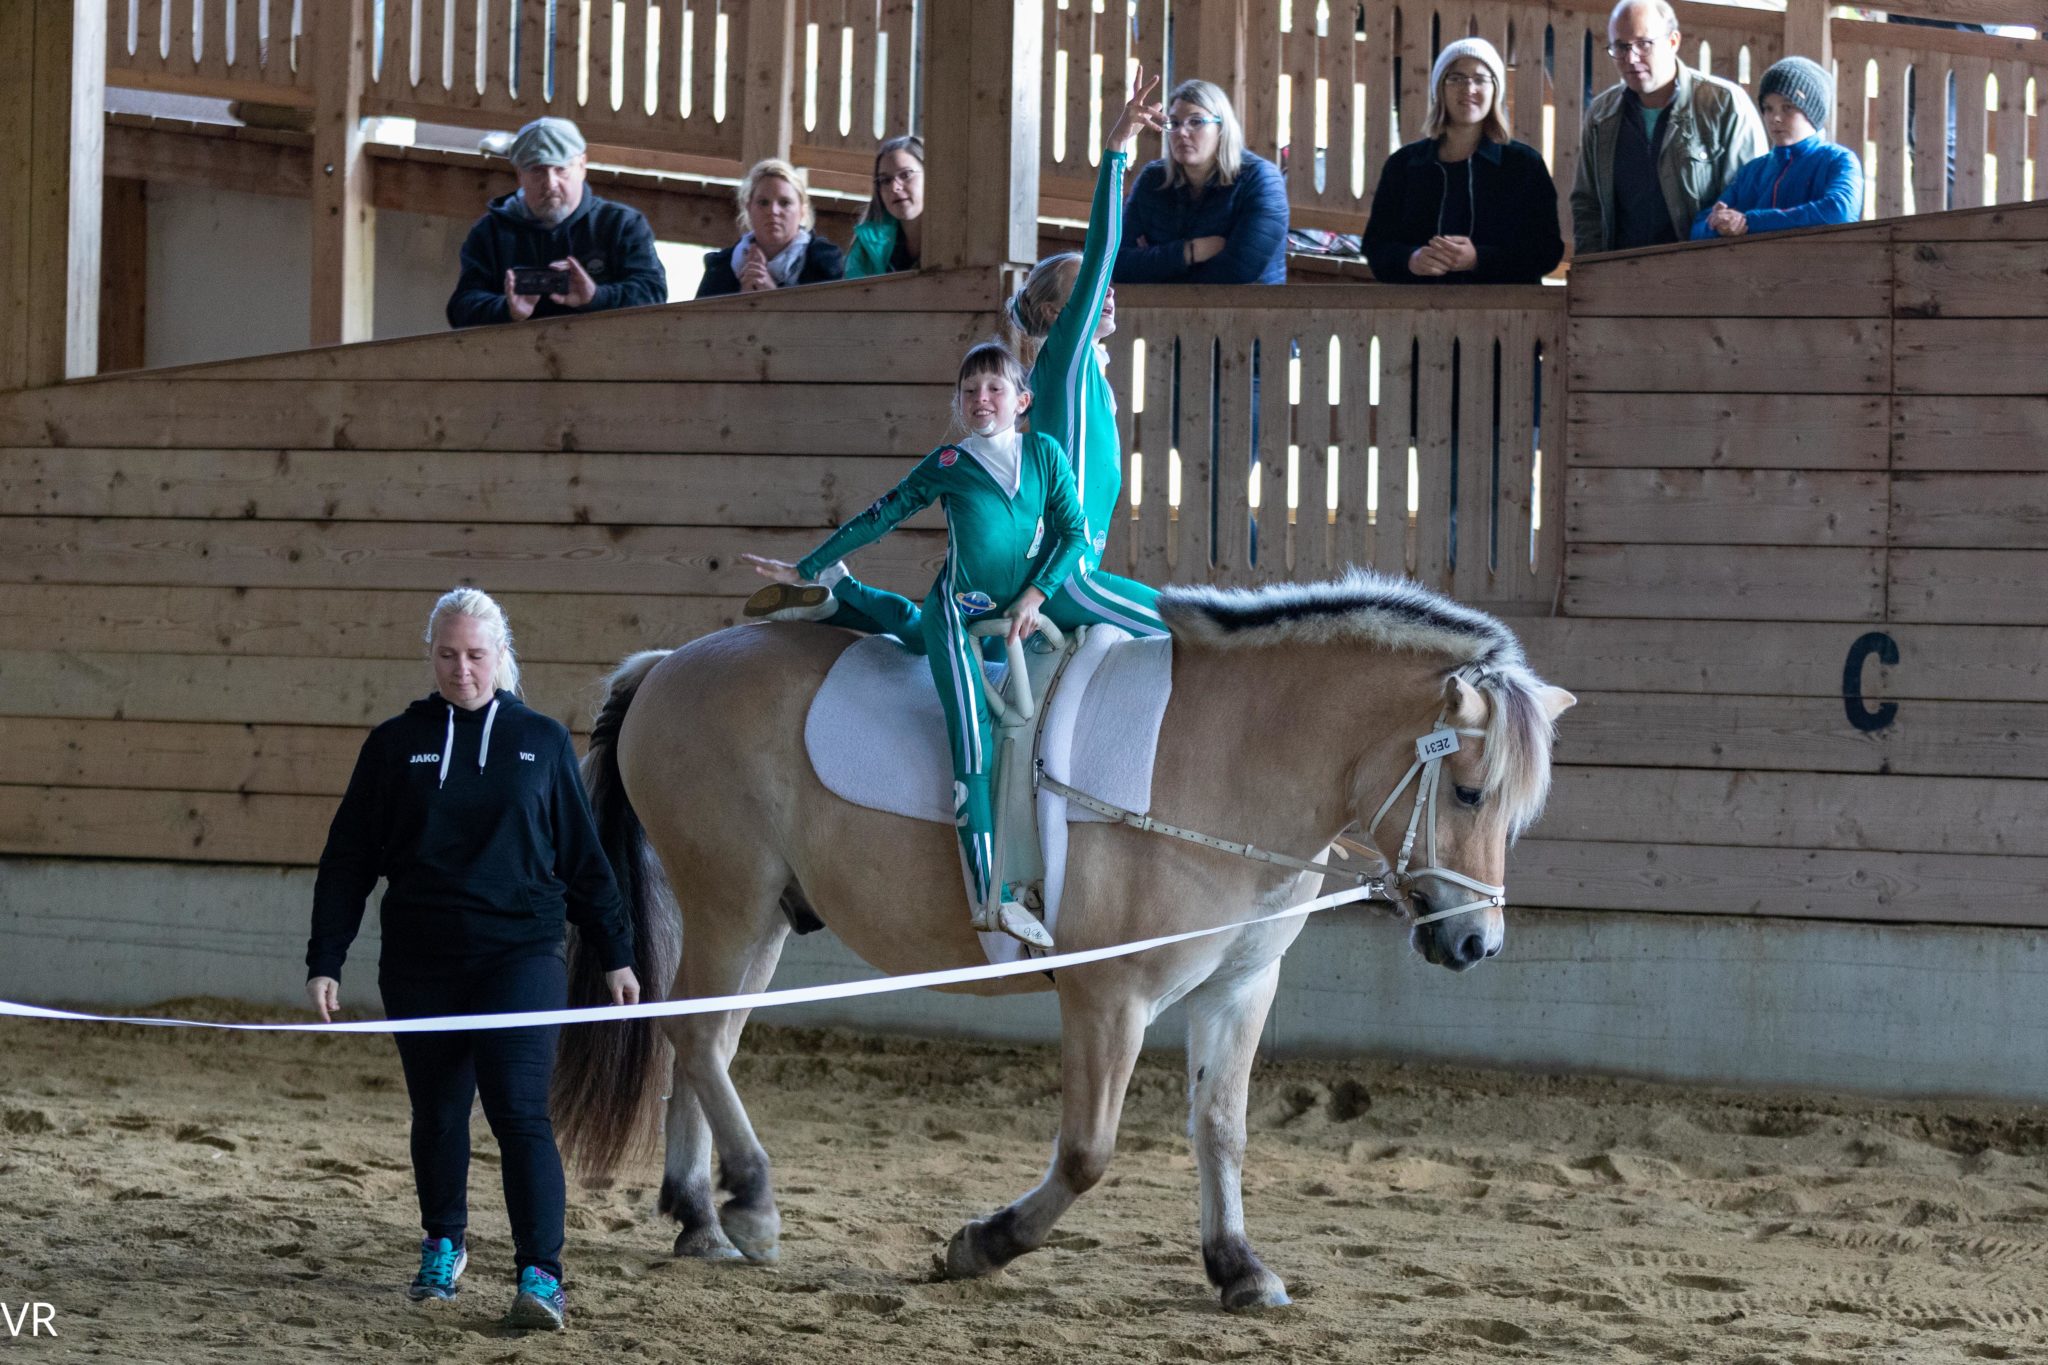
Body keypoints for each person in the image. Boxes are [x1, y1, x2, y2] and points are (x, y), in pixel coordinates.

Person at [752, 342, 1169, 951]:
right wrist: (809, 564)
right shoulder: (950, 460)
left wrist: (1036, 595)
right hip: (959, 613)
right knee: (974, 744)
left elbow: (1075, 533)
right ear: (959, 402)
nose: (982, 400)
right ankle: (992, 898)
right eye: (970, 391)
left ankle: (847, 598)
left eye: (995, 389)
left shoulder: (1046, 455)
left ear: (1022, 401)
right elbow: (883, 512)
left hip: (1019, 606)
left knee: (911, 632)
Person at [304, 588, 641, 1332]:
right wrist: (326, 956)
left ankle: (540, 1273)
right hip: (421, 962)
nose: (462, 668)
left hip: (520, 955)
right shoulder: (394, 744)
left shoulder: (542, 741)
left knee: (520, 1110)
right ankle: (444, 1242)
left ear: (501, 656)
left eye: (476, 654)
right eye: (448, 654)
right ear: (432, 655)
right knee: (439, 1112)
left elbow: (586, 861)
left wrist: (616, 952)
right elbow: (348, 859)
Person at [742, 69, 1170, 642]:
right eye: (1089, 290)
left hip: (1049, 569)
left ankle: (840, 598)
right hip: (1064, 578)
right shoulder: (1066, 360)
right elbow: (1104, 248)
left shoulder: (1086, 373)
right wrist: (1117, 147)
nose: (1107, 291)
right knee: (1185, 627)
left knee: (930, 638)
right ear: (1055, 317)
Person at [1570, 0, 1766, 254]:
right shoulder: (1601, 114)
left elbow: (1752, 201)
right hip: (1623, 276)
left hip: (1705, 278)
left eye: (1643, 44)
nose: (1631, 58)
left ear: (1673, 42)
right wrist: (1592, 272)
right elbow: (1587, 204)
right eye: (1621, 46)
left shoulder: (1724, 105)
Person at [1361, 37, 1564, 283]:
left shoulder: (1525, 165)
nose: (1468, 88)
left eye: (1480, 79)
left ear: (1495, 90)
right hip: (1420, 312)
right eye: (1456, 78)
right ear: (1440, 90)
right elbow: (1376, 247)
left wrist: (1478, 259)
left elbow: (1547, 252)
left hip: (1505, 313)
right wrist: (1411, 260)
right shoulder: (1403, 165)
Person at [446, 117, 668, 328]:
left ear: (582, 167)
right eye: (537, 171)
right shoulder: (489, 232)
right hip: (518, 359)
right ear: (519, 174)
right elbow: (461, 308)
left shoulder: (622, 225)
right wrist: (507, 310)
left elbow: (654, 295)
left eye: (560, 169)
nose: (550, 184)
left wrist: (595, 296)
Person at [1113, 78, 1290, 284]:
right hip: (1162, 313)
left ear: (1221, 128)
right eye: (1174, 123)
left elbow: (1237, 274)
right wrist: (1190, 251)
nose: (1182, 132)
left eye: (1196, 122)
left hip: (1248, 313)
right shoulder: (1153, 179)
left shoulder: (1262, 180)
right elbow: (1119, 266)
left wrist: (1153, 263)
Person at [1693, 57, 1863, 239]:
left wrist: (1750, 222)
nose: (1775, 118)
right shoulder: (1753, 171)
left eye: (1787, 107)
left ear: (1812, 112)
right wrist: (1719, 225)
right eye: (1768, 108)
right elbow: (1698, 227)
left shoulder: (1839, 161)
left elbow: (1838, 213)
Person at [695, 159, 845, 298]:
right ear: (749, 208)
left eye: (785, 203)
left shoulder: (826, 263)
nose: (773, 211)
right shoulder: (721, 266)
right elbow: (695, 323)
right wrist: (742, 301)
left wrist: (773, 297)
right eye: (763, 202)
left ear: (802, 211)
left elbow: (839, 323)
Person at [845, 135, 924, 279]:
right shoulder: (867, 245)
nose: (895, 187)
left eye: (906, 174)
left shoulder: (959, 238)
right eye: (885, 180)